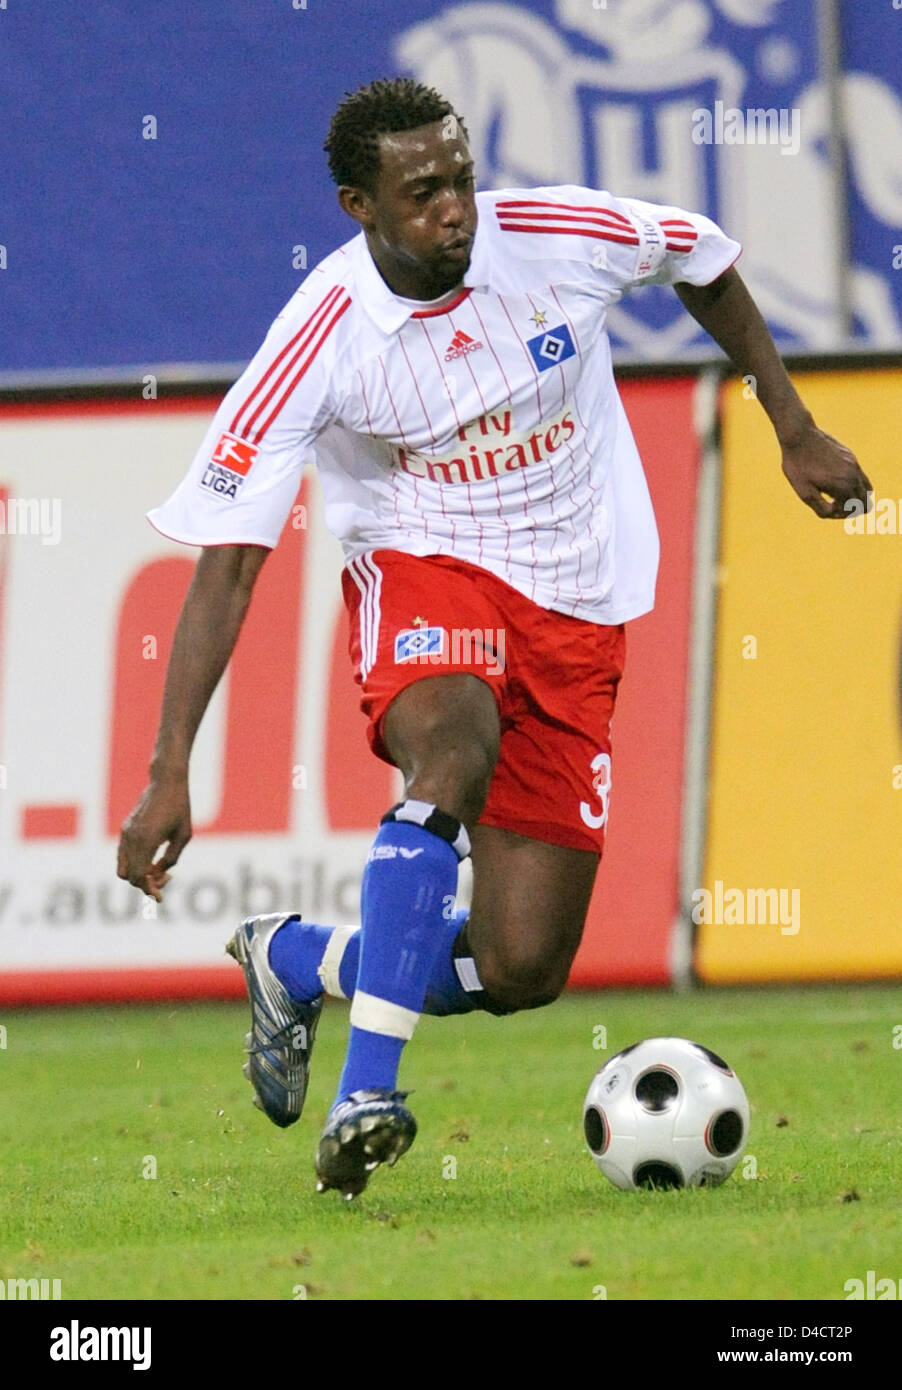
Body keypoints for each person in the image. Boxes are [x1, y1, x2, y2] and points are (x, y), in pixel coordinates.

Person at [117, 78, 871, 1200]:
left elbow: (701, 259)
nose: (454, 210)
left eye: (460, 179)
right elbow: (229, 559)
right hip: (427, 565)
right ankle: (367, 1095)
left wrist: (790, 423)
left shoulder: (561, 237)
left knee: (520, 965)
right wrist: (168, 768)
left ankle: (293, 957)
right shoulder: (317, 340)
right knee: (449, 752)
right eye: (420, 193)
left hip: (575, 599)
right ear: (355, 205)